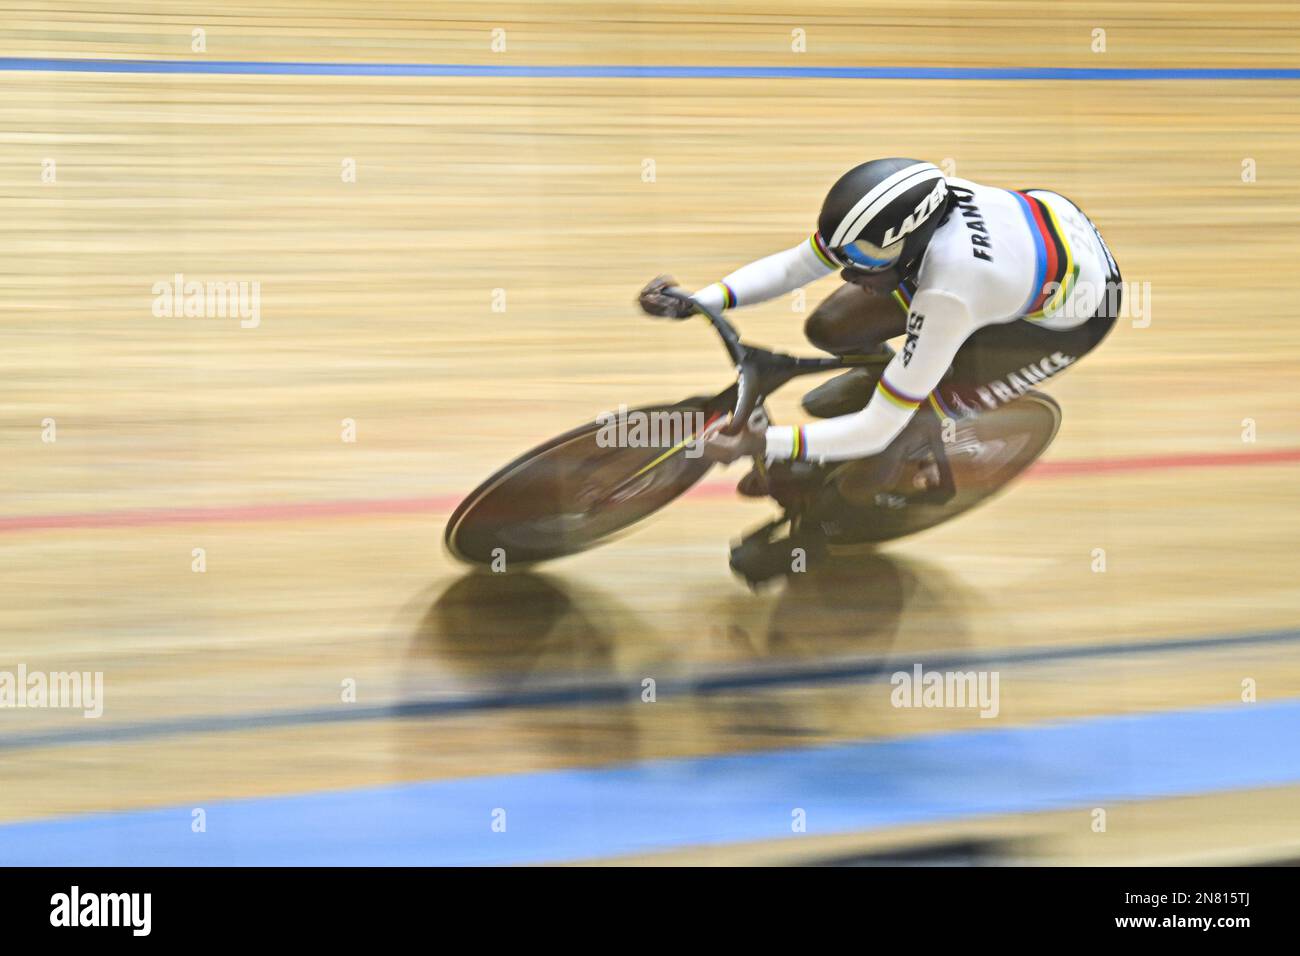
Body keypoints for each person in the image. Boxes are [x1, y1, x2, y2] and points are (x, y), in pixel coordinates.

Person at [638, 158, 1122, 574]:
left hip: (1058, 323)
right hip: (1028, 255)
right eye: (845, 254)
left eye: (863, 258)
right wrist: (701, 301)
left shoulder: (949, 292)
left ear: (907, 246)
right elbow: (797, 265)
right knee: (830, 327)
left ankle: (820, 532)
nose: (848, 270)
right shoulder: (894, 222)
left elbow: (875, 429)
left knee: (899, 431)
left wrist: (762, 442)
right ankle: (893, 375)